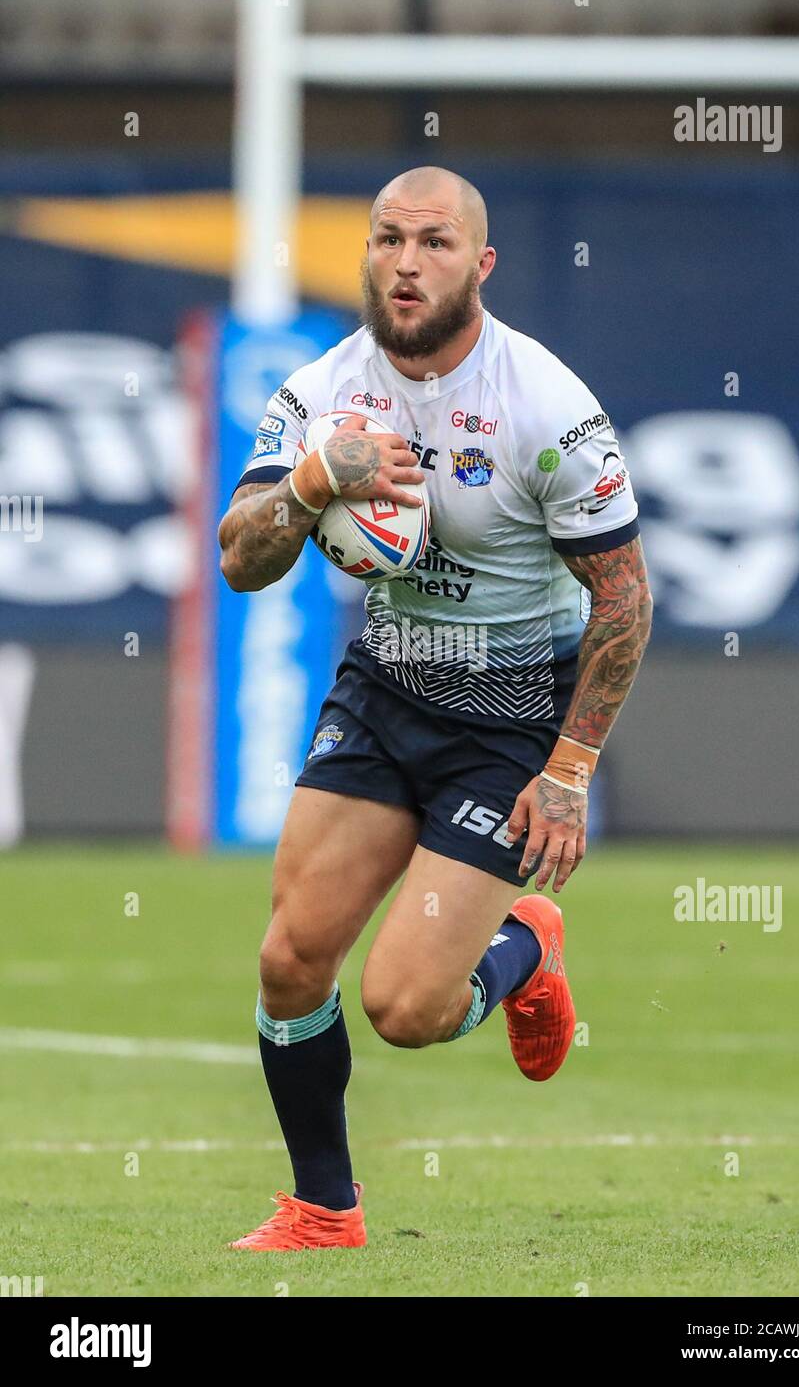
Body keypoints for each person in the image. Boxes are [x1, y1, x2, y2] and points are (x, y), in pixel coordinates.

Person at [218, 166, 653, 1251]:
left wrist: (565, 770)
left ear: (480, 263)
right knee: (287, 959)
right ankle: (325, 1208)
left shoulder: (546, 406)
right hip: (386, 687)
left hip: (507, 721)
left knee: (406, 1008)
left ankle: (522, 949)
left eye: (434, 243)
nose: (405, 263)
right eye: (386, 240)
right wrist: (318, 480)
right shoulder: (320, 389)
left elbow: (624, 597)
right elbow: (239, 557)